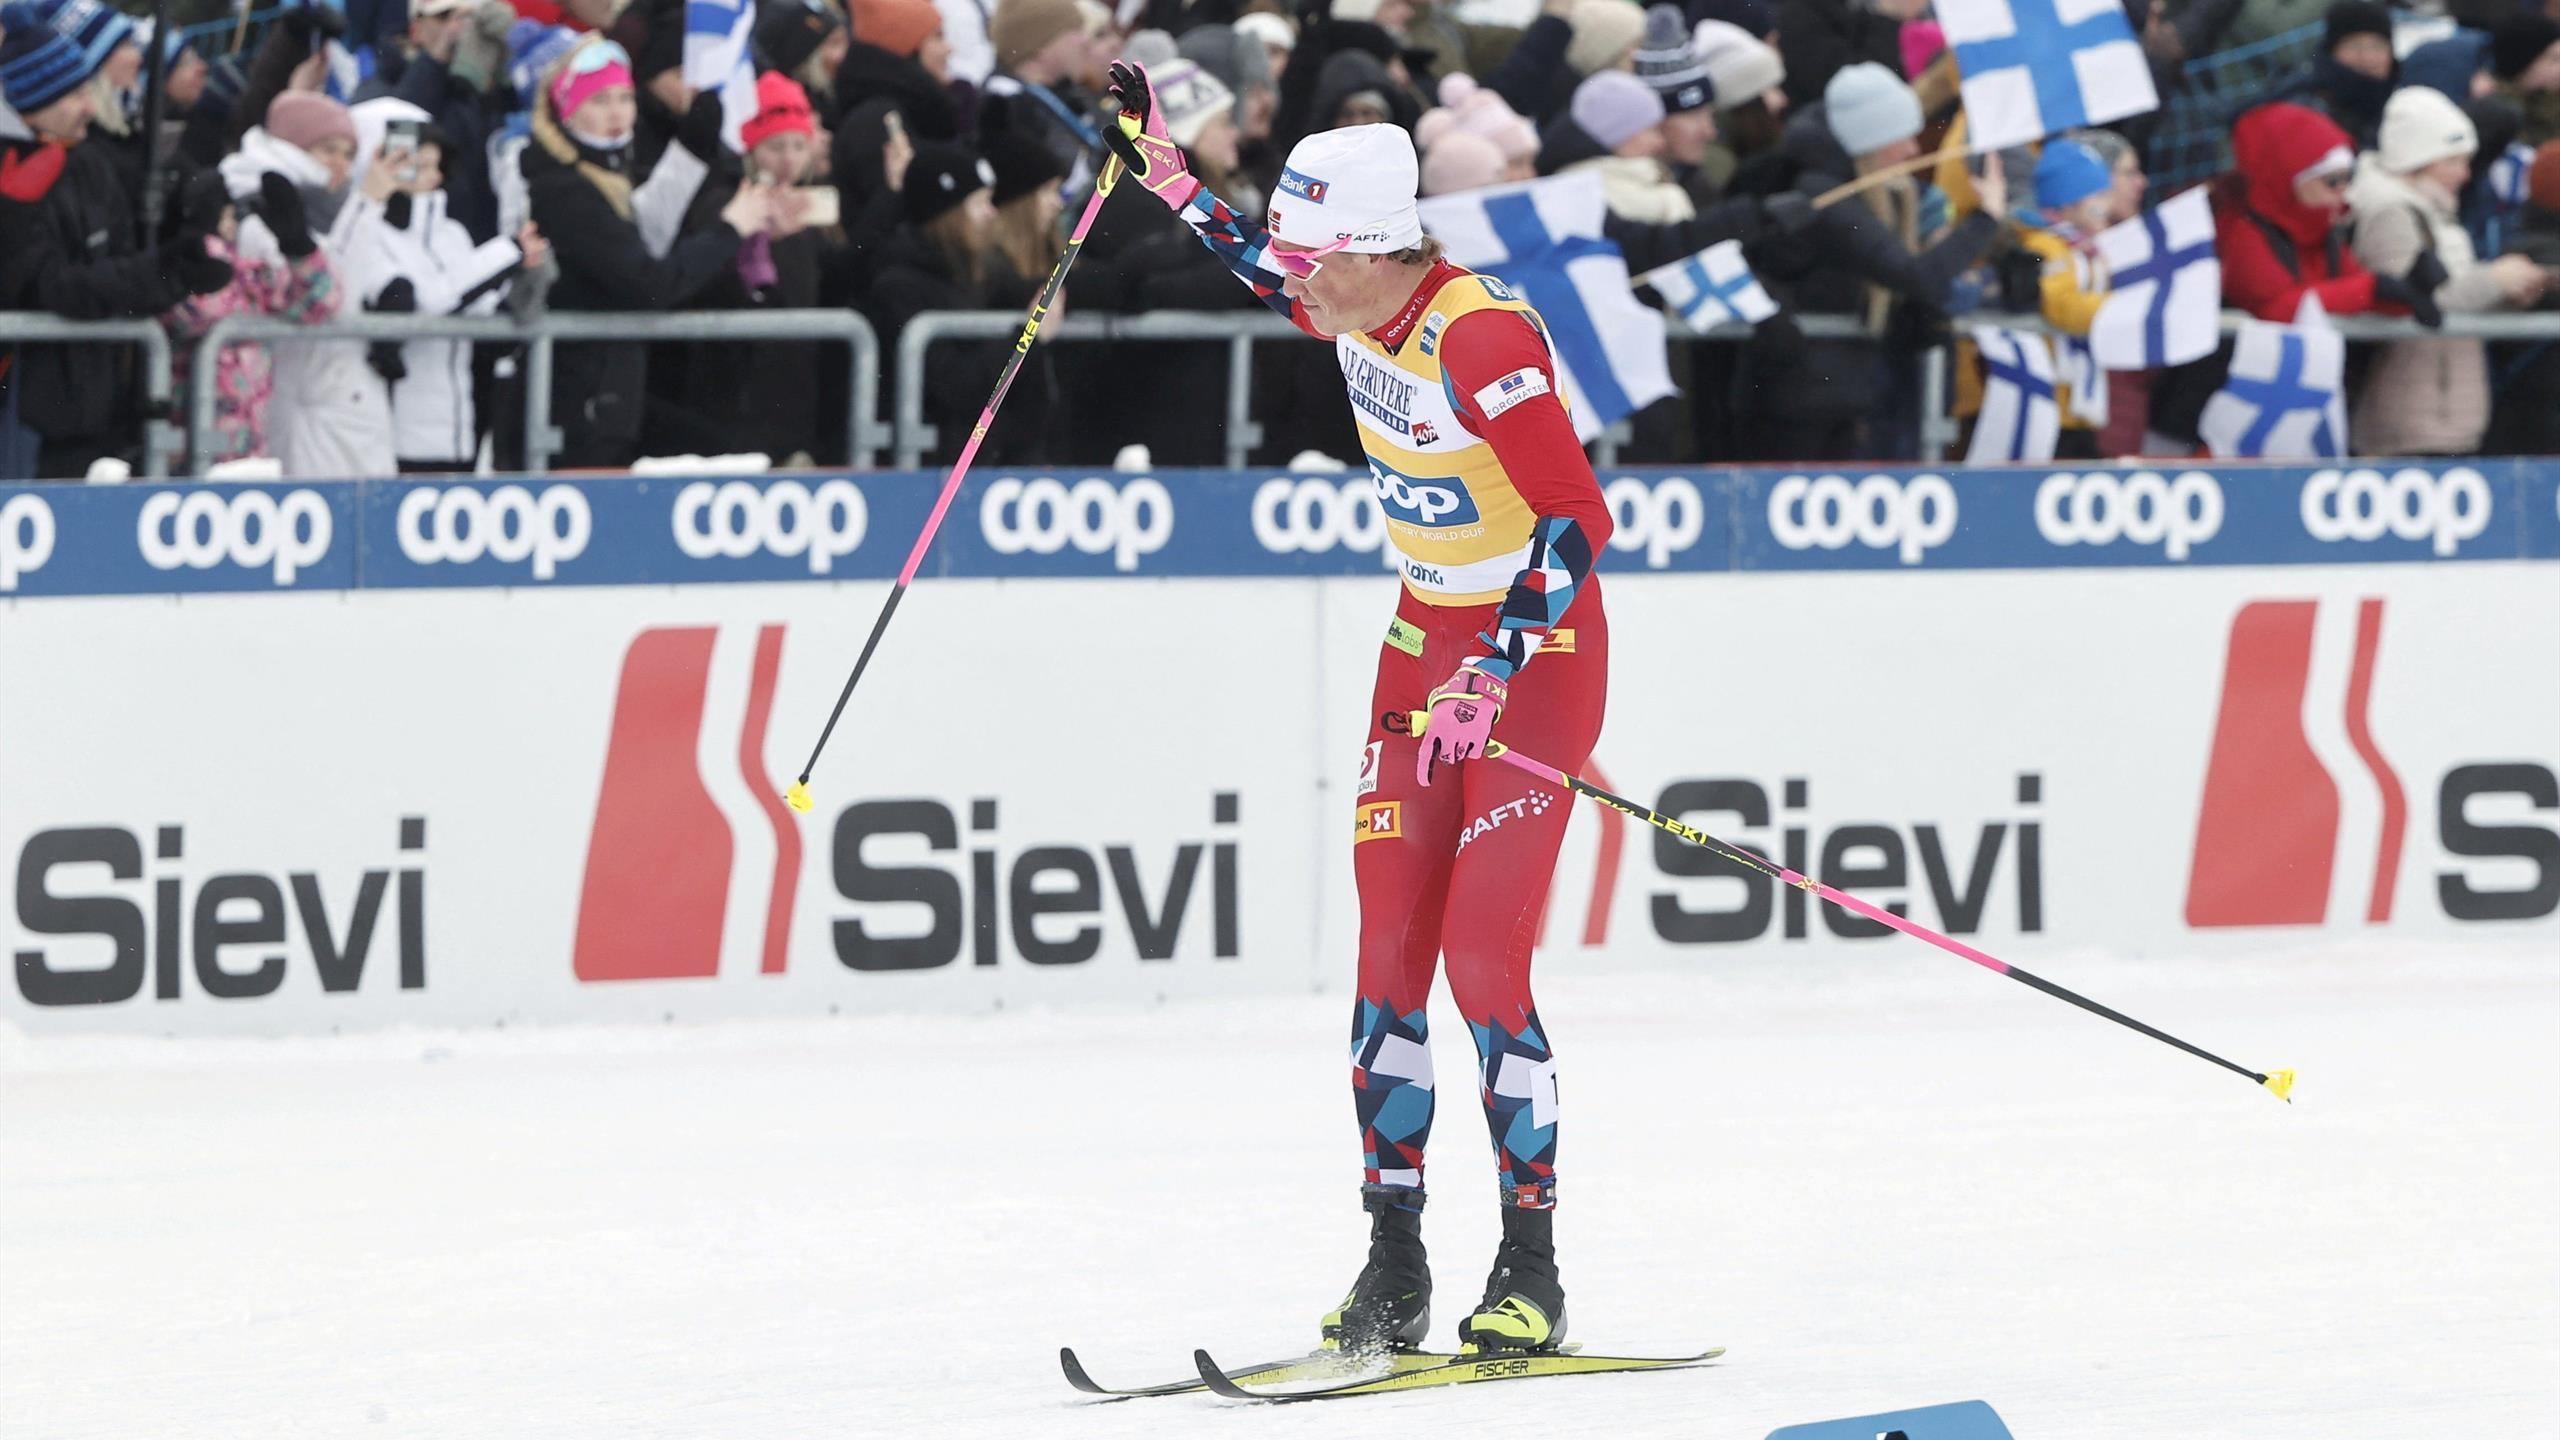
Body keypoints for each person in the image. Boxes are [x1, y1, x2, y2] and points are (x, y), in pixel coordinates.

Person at [1103, 59, 1614, 1357]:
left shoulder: (1477, 337)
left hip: (1532, 653)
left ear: (1377, 250)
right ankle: (1394, 1261)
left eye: (1311, 261)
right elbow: (1243, 253)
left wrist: (1492, 667)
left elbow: (1577, 518)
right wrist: (1158, 161)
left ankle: (1532, 1268)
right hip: (1415, 642)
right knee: (1388, 958)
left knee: (1482, 958)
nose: (1292, 284)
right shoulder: (1350, 302)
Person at [1, 0, 231, 478]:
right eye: (73, 94)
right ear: (32, 101)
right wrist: (164, 273)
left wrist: (181, 253)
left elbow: (122, 258)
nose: (90, 104)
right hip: (32, 415)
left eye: (88, 89)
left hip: (103, 404)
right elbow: (53, 287)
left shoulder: (87, 162)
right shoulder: (17, 175)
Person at [2346, 85, 2547, 455]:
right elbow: (2414, 302)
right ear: (2419, 159)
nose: (2465, 174)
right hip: (2406, 413)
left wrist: (2510, 292)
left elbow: (2455, 296)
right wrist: (2494, 280)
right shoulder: (2391, 211)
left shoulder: (2433, 209)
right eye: (2454, 161)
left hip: (2443, 412)